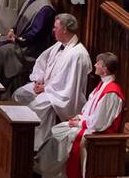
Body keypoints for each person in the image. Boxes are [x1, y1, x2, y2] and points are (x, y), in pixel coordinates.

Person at [35, 53, 123, 178]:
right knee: (57, 130)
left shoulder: (111, 92)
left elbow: (100, 122)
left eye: (98, 63)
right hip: (90, 126)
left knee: (61, 135)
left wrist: (79, 123)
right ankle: (40, 165)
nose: (95, 65)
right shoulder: (102, 85)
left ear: (104, 69)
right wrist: (79, 117)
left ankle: (42, 169)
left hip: (99, 133)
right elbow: (91, 110)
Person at [14, 13, 91, 143]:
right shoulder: (58, 45)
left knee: (37, 106)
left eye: (56, 27)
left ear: (65, 30)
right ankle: (16, 135)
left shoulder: (78, 54)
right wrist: (39, 80)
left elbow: (70, 86)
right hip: (48, 88)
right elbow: (43, 62)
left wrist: (46, 88)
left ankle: (34, 145)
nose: (53, 30)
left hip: (61, 96)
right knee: (20, 94)